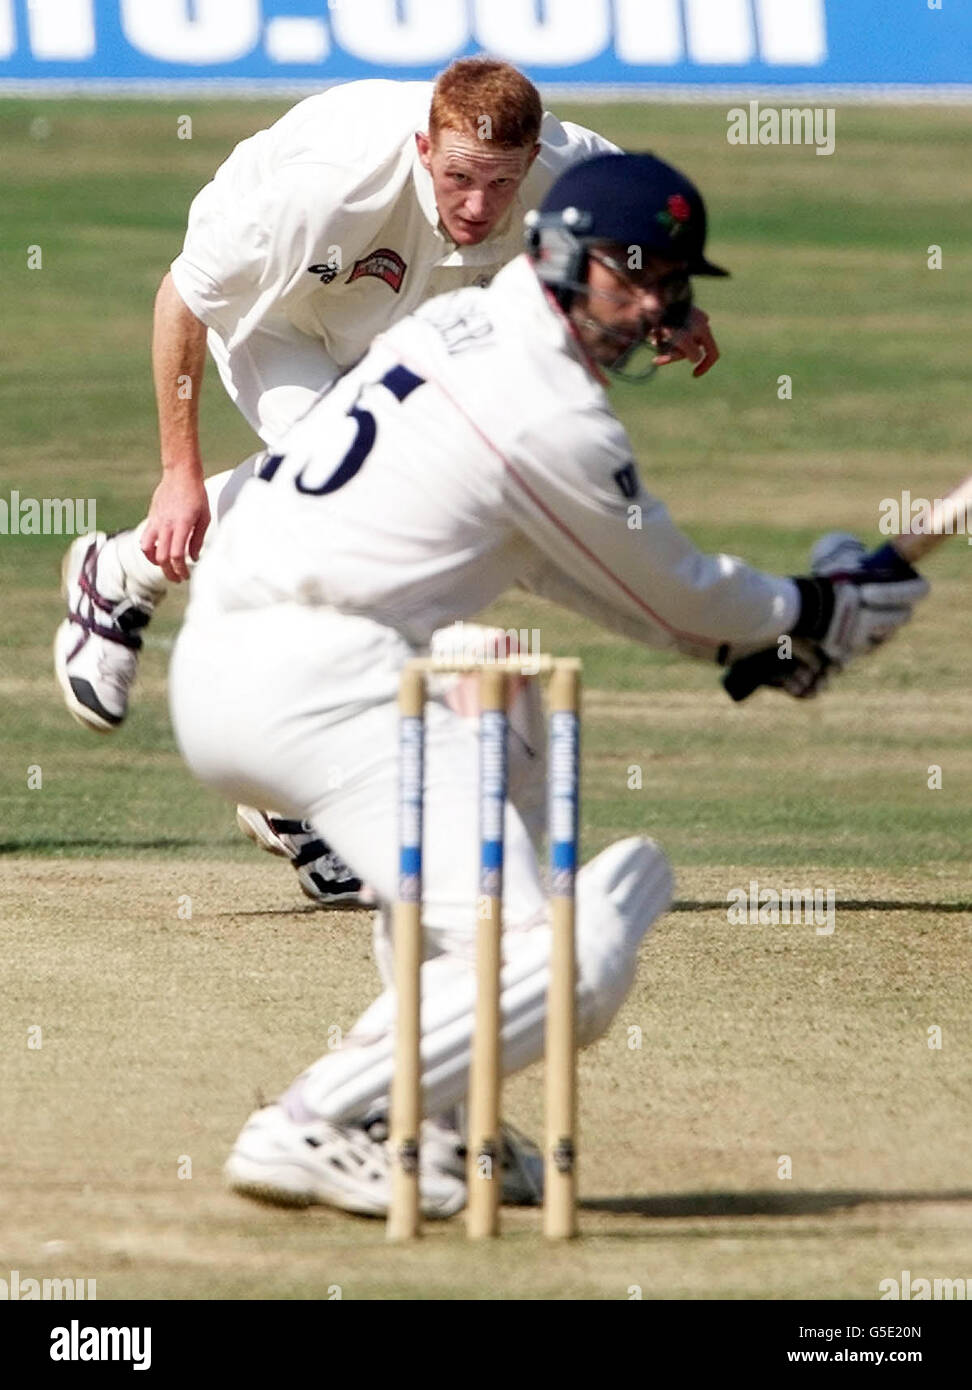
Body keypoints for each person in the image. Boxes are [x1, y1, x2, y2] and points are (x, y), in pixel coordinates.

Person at [166, 151, 929, 1217]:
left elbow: (580, 571)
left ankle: (422, 1119)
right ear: (564, 256)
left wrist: (761, 640)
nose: (657, 303)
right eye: (638, 274)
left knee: (511, 740)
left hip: (258, 662)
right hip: (317, 682)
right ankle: (311, 1122)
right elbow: (674, 590)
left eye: (671, 280)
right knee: (565, 966)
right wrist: (809, 614)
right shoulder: (544, 411)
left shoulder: (462, 327)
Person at [53, 58, 720, 906]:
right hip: (281, 314)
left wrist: (670, 302)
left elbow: (637, 230)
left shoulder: (570, 168)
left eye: (501, 184)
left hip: (406, 318)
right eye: (459, 178)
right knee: (353, 489)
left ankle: (285, 792)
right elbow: (183, 297)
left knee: (382, 523)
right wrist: (178, 475)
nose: (479, 207)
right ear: (422, 148)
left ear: (532, 162)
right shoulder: (326, 186)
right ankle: (123, 574)